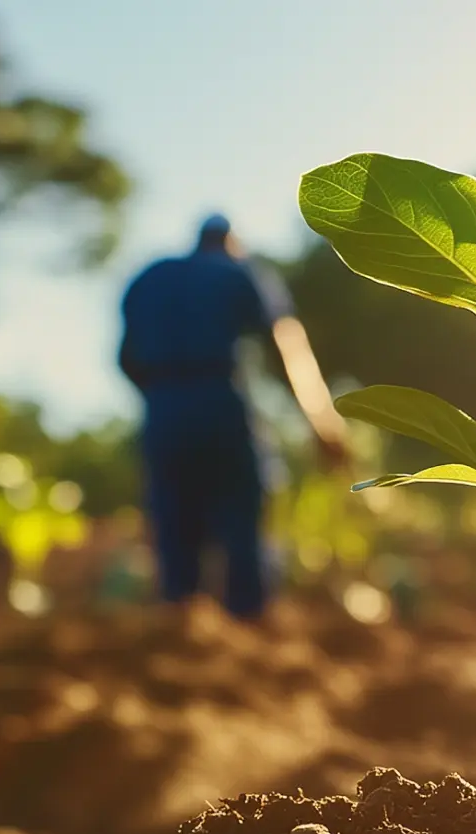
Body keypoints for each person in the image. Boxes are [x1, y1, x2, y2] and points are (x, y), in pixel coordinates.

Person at [118, 214, 347, 617]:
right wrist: (324, 426)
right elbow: (287, 347)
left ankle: (182, 624)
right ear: (231, 242)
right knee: (244, 519)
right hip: (220, 399)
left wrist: (166, 399)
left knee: (174, 521)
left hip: (162, 408)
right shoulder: (240, 272)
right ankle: (248, 625)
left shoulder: (149, 278)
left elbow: (125, 358)